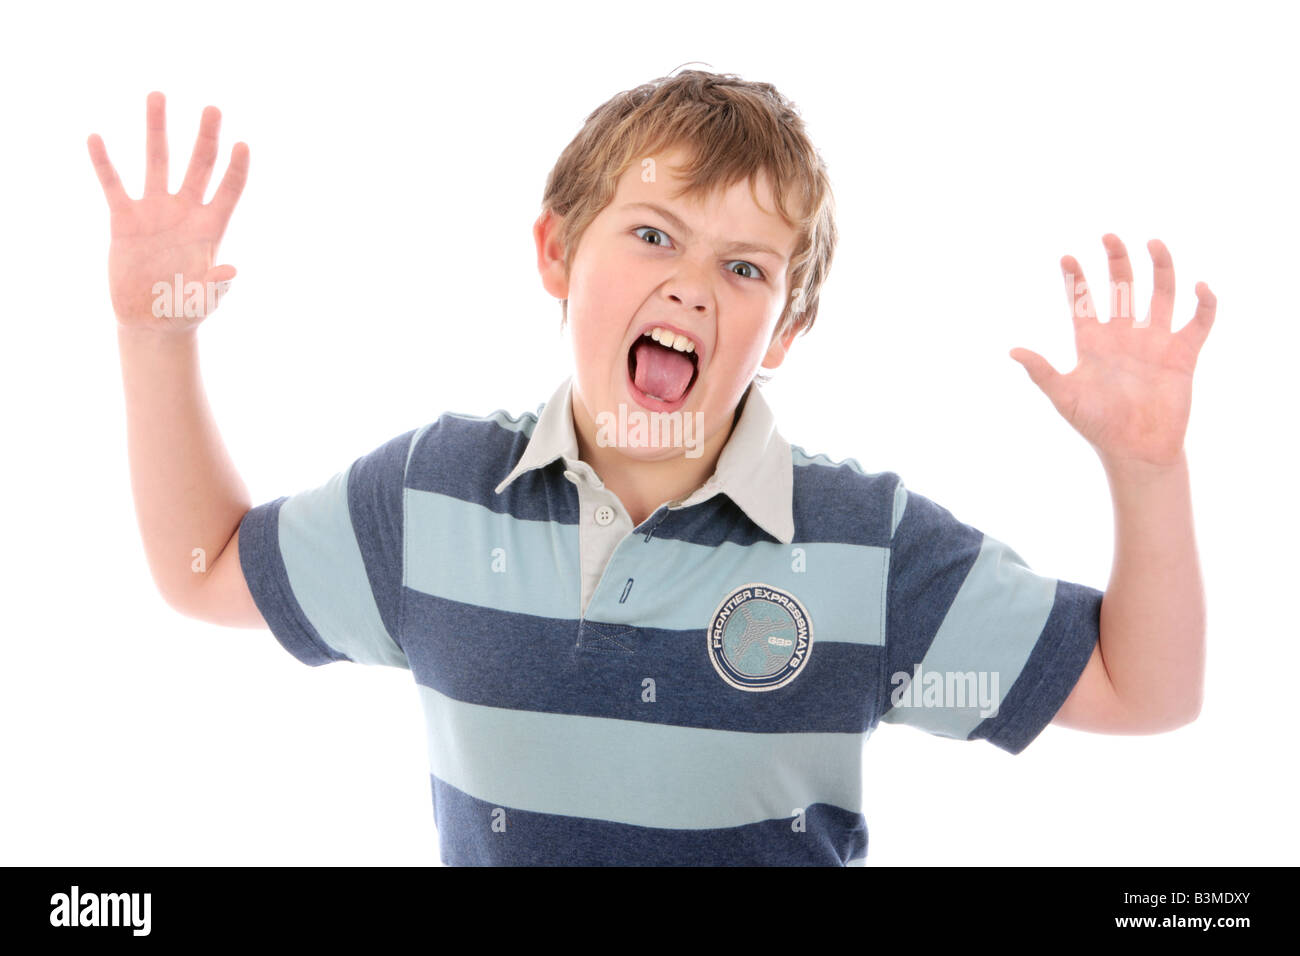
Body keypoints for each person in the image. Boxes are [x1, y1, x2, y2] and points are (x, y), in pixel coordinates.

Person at [91, 68, 1217, 866]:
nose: (689, 286)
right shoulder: (434, 493)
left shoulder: (862, 545)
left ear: (782, 331)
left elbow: (1145, 689)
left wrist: (1145, 469)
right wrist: (157, 334)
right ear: (555, 252)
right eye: (651, 234)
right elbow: (203, 568)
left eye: (742, 266)